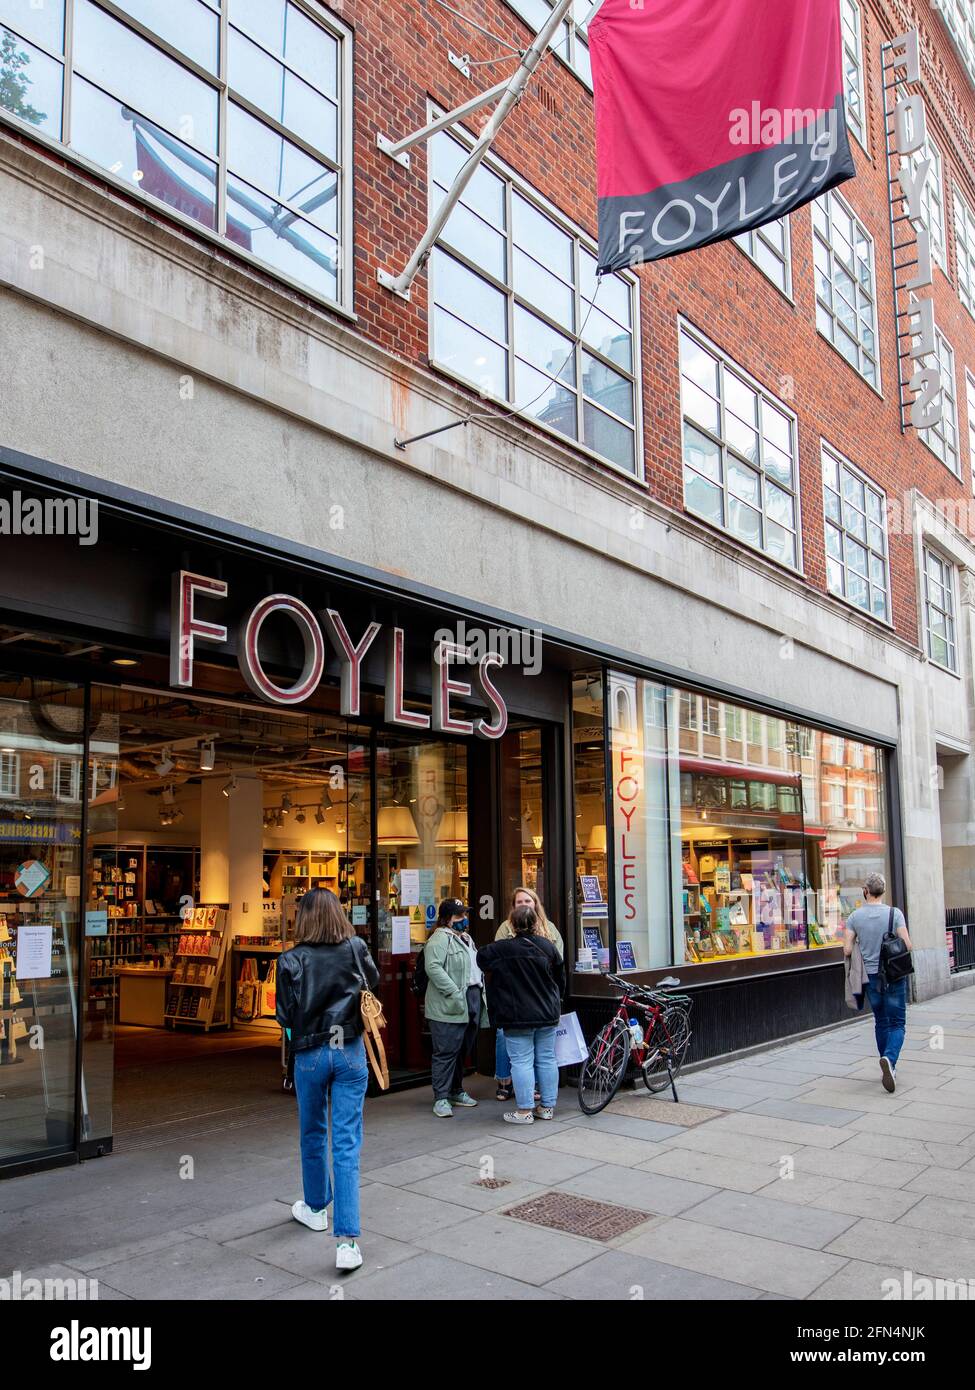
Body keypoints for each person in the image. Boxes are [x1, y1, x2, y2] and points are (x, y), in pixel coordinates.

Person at [276, 888, 379, 1272]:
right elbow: (373, 988)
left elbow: (284, 1016)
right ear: (338, 913)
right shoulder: (355, 947)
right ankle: (348, 1242)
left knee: (312, 1132)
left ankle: (316, 1207)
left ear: (303, 917)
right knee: (347, 1144)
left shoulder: (291, 959)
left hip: (310, 1053)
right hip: (350, 1049)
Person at [477, 904, 565, 1124]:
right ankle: (546, 1107)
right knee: (546, 1059)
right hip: (546, 1013)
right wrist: (556, 1000)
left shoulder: (501, 949)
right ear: (536, 923)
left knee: (521, 1062)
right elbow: (560, 979)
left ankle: (525, 1111)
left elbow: (481, 958)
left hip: (515, 1015)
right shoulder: (547, 946)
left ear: (512, 925)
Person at [493, 888, 564, 1102]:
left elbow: (557, 965)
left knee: (531, 1057)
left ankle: (527, 1104)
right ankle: (507, 1082)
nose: (524, 904)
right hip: (522, 1000)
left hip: (536, 1000)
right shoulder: (505, 928)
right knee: (515, 1044)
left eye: (528, 900)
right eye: (519, 901)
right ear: (513, 907)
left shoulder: (549, 929)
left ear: (536, 904)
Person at [844, 872, 912, 1094]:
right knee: (898, 1022)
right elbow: (907, 945)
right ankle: (890, 1060)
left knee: (881, 1021)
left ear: (866, 891)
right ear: (883, 891)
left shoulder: (854, 917)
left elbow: (846, 949)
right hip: (894, 976)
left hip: (871, 977)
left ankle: (887, 1062)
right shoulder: (895, 914)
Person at [424, 898, 487, 1117]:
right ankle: (441, 1097)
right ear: (447, 919)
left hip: (471, 997)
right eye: (459, 916)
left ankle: (456, 1090)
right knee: (446, 1051)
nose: (464, 919)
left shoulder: (466, 938)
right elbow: (433, 967)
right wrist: (452, 991)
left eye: (465, 915)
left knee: (462, 1049)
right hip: (448, 1002)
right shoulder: (439, 939)